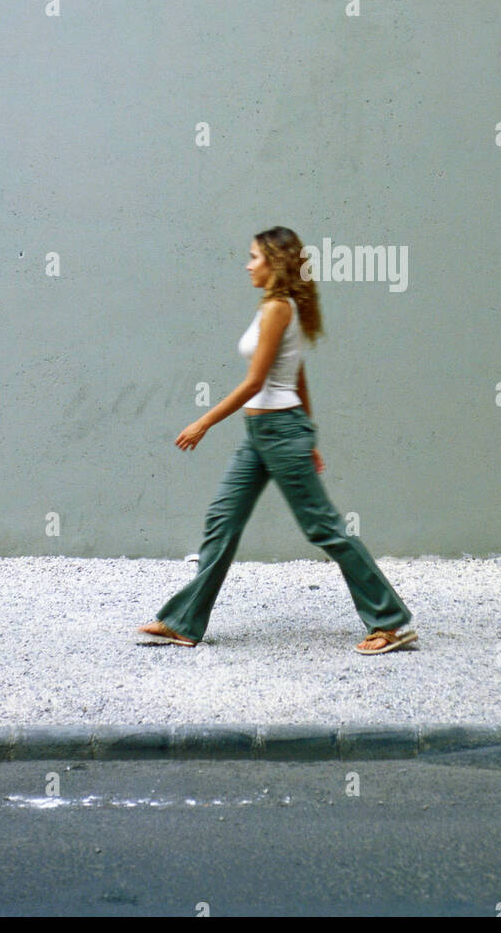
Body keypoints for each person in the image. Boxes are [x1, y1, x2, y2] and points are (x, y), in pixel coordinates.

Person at [138, 225, 417, 655]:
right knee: (222, 520)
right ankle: (183, 622)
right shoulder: (275, 306)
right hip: (264, 434)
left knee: (323, 527)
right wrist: (311, 433)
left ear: (275, 261)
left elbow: (255, 383)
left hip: (279, 432)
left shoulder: (277, 310)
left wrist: (204, 422)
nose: (247, 264)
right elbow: (297, 374)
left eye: (253, 256)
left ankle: (390, 623)